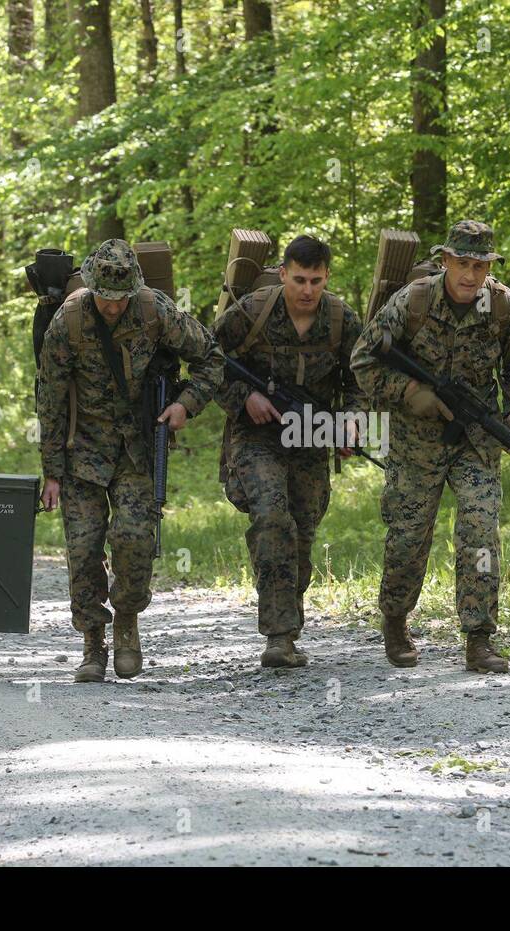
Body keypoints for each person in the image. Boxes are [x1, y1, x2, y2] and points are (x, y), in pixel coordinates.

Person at [351, 220, 510, 672]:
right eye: (462, 264)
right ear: (445, 261)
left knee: (480, 529)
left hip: (475, 437)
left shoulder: (506, 308)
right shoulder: (412, 301)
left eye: (479, 266)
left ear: (489, 267)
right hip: (415, 439)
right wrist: (410, 393)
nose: (470, 275)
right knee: (408, 535)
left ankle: (479, 637)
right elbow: (363, 360)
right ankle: (395, 619)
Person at [37, 239, 224, 681]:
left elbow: (211, 358)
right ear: (91, 287)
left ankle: (126, 620)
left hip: (138, 448)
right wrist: (52, 472)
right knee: (83, 549)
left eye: (121, 298)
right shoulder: (68, 320)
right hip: (82, 450)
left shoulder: (156, 311)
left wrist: (185, 404)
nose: (113, 306)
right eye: (105, 297)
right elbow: (50, 399)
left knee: (135, 537)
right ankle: (92, 641)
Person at [212, 235, 367, 668]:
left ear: (327, 277)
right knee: (271, 517)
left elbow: (359, 379)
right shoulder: (253, 311)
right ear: (283, 274)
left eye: (316, 281)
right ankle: (278, 636)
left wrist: (350, 421)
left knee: (302, 529)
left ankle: (289, 627)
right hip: (257, 435)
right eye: (299, 280)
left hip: (310, 437)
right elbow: (207, 360)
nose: (307, 290)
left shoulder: (341, 319)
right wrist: (244, 396)